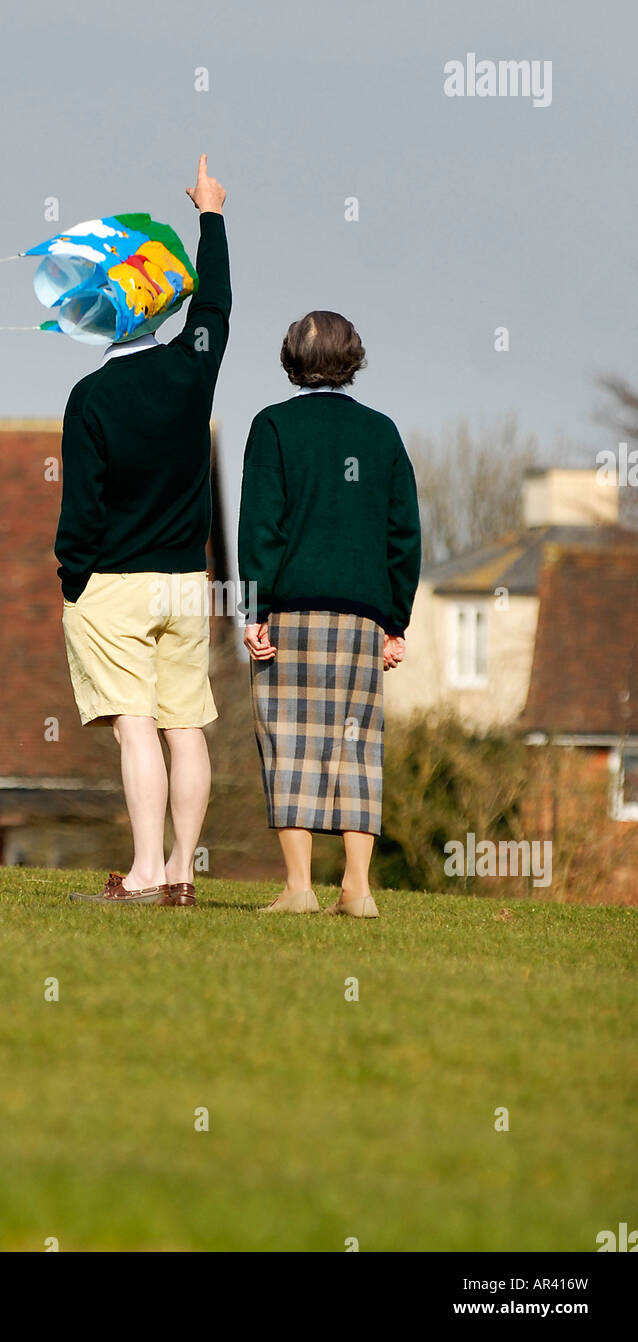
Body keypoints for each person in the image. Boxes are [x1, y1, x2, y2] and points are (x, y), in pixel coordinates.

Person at [57, 155, 230, 906]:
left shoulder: (90, 397)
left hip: (116, 585)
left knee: (137, 730)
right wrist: (211, 214)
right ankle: (185, 872)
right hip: (188, 581)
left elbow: (83, 508)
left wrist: (73, 576)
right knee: (186, 728)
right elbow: (217, 307)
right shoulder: (193, 372)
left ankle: (144, 872)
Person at [238, 311, 421, 916]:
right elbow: (404, 534)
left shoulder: (273, 426)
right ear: (354, 358)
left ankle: (299, 888)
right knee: (357, 745)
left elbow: (260, 524)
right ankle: (359, 889)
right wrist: (396, 621)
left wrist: (254, 608)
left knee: (290, 740)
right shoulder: (383, 432)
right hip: (364, 615)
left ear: (291, 357)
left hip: (292, 608)